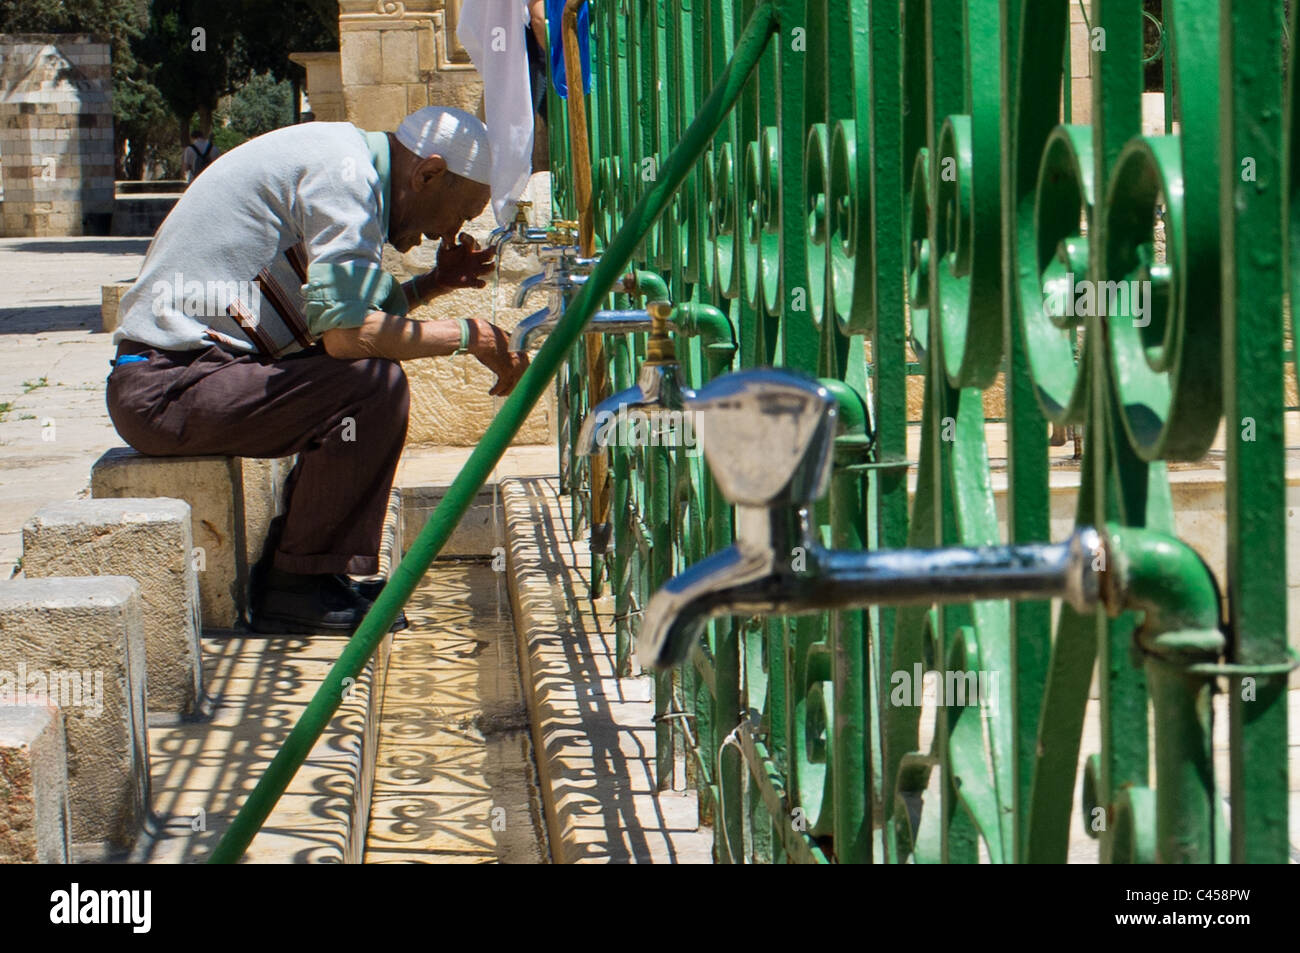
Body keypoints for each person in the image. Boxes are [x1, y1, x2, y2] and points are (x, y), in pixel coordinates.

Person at [107, 106, 529, 634]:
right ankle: (296, 586)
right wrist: (470, 335)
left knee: (364, 381)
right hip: (168, 388)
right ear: (428, 173)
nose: (451, 231)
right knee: (372, 388)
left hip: (187, 376)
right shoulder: (345, 180)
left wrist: (434, 285)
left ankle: (311, 576)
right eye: (459, 213)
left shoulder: (345, 161)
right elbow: (350, 338)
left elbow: (351, 317)